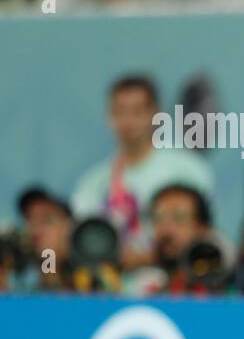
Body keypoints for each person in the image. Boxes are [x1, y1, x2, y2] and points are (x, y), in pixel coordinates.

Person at [71, 74, 214, 269]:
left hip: (176, 292)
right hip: (110, 294)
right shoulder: (92, 183)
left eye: (137, 112)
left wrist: (151, 258)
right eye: (119, 112)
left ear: (156, 115)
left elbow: (204, 240)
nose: (128, 121)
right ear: (108, 116)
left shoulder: (189, 171)